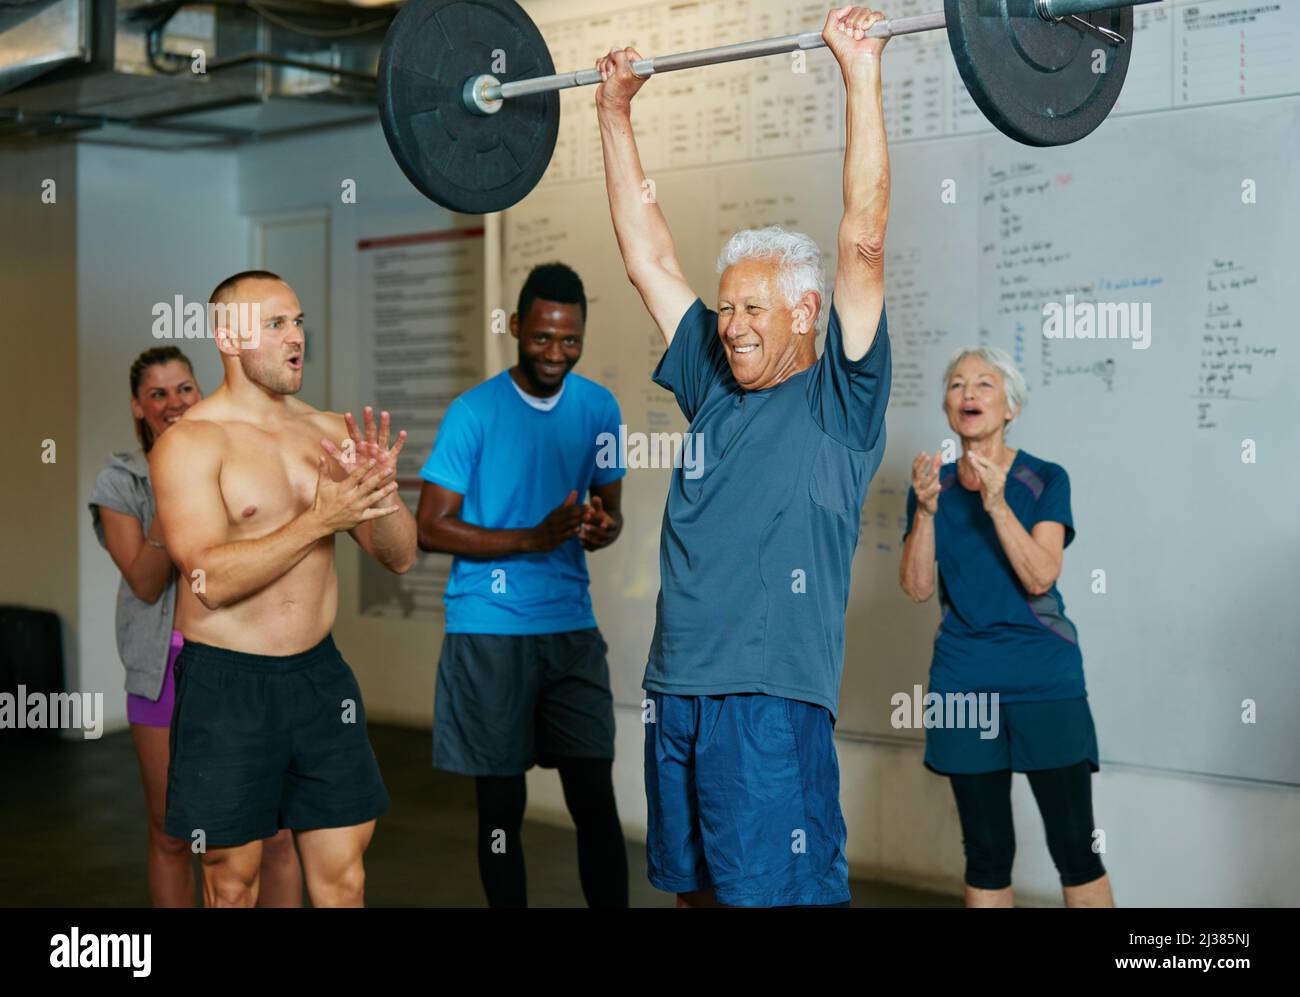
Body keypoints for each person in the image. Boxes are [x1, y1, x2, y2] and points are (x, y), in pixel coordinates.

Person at [593, 6, 893, 907]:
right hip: (675, 686)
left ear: (806, 313)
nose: (732, 326)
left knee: (776, 897)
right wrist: (614, 114)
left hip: (769, 699)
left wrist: (860, 73)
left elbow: (863, 241)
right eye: (726, 309)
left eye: (754, 310)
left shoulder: (841, 399)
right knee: (691, 893)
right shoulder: (713, 374)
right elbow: (646, 255)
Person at [150, 271, 417, 907]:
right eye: (275, 324)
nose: (296, 337)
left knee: (344, 879)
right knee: (232, 884)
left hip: (319, 680)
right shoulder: (189, 443)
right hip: (227, 684)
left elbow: (401, 558)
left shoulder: (329, 430)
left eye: (297, 322)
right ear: (227, 337)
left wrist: (380, 496)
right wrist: (321, 519)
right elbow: (208, 580)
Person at [416, 262, 628, 908]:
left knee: (595, 800)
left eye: (570, 340)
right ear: (515, 327)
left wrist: (598, 527)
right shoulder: (472, 413)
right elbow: (430, 527)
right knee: (502, 812)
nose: (556, 353)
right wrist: (533, 538)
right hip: (490, 631)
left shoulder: (599, 407)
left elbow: (611, 513)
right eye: (541, 338)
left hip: (569, 626)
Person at [899, 346, 1115, 908]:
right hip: (963, 681)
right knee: (987, 852)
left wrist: (998, 505)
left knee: (1075, 848)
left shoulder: (1044, 478)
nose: (969, 393)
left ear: (1011, 406)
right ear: (948, 406)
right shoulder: (932, 487)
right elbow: (918, 587)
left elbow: (1040, 576)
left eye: (985, 384)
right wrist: (924, 514)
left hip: (1045, 678)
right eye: (957, 384)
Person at [89, 346, 301, 907]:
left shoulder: (233, 457)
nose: (174, 403)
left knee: (274, 830)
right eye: (157, 394)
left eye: (184, 389)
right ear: (139, 407)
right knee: (171, 833)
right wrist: (170, 492)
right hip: (163, 669)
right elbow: (145, 582)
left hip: (243, 661)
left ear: (199, 390)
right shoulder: (120, 484)